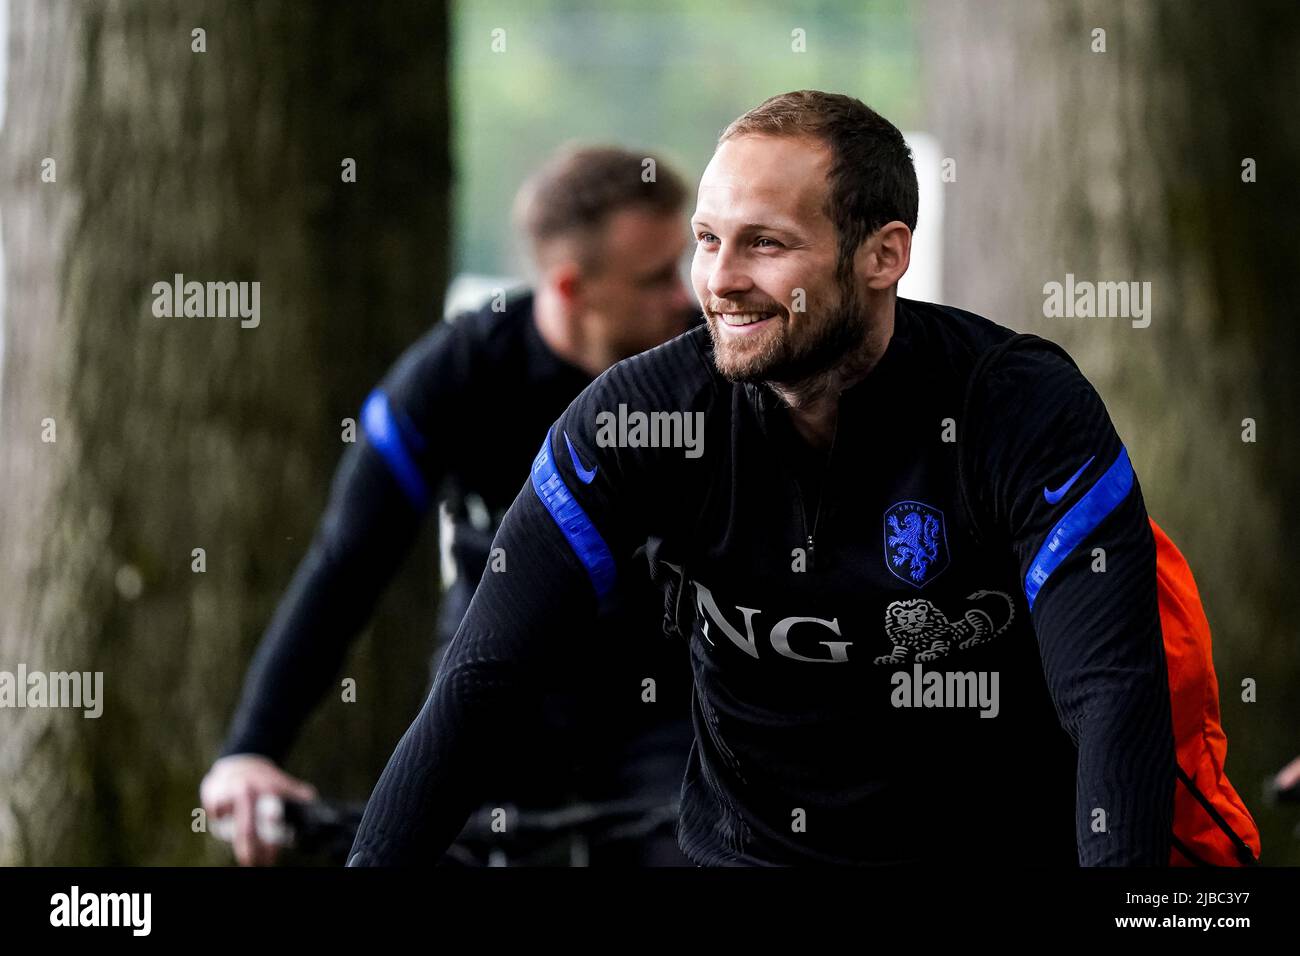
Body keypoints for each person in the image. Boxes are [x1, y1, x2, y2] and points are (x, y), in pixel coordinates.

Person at [347, 89, 1180, 867]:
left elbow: (1110, 695)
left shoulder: (1019, 406)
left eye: (766, 243)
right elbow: (484, 679)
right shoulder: (639, 419)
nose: (719, 280)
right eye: (708, 240)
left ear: (883, 255)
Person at [201, 145, 700, 866]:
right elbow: (345, 566)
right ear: (571, 287)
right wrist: (249, 750)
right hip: (496, 686)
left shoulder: (706, 368)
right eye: (656, 278)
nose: (686, 296)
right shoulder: (458, 372)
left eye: (682, 264)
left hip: (661, 703)